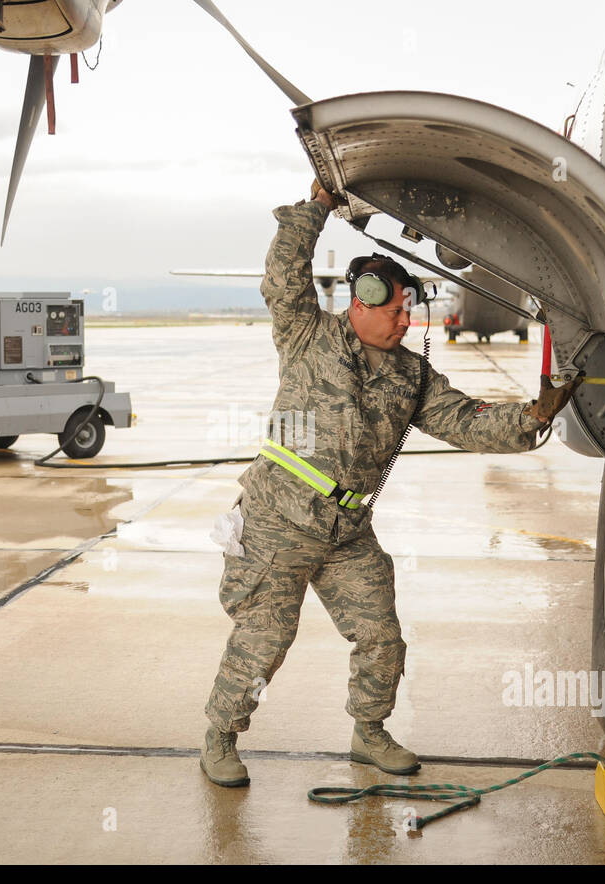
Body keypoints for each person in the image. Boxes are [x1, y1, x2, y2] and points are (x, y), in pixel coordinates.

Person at [200, 182, 581, 787]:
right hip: (278, 520)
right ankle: (220, 736)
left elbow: (465, 421)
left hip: (348, 531)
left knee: (382, 636)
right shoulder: (308, 335)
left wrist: (533, 417)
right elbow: (283, 273)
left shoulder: (412, 375)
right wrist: (318, 206)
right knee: (264, 639)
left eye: (412, 311)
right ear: (361, 302)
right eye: (396, 310)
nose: (407, 321)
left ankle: (369, 732)